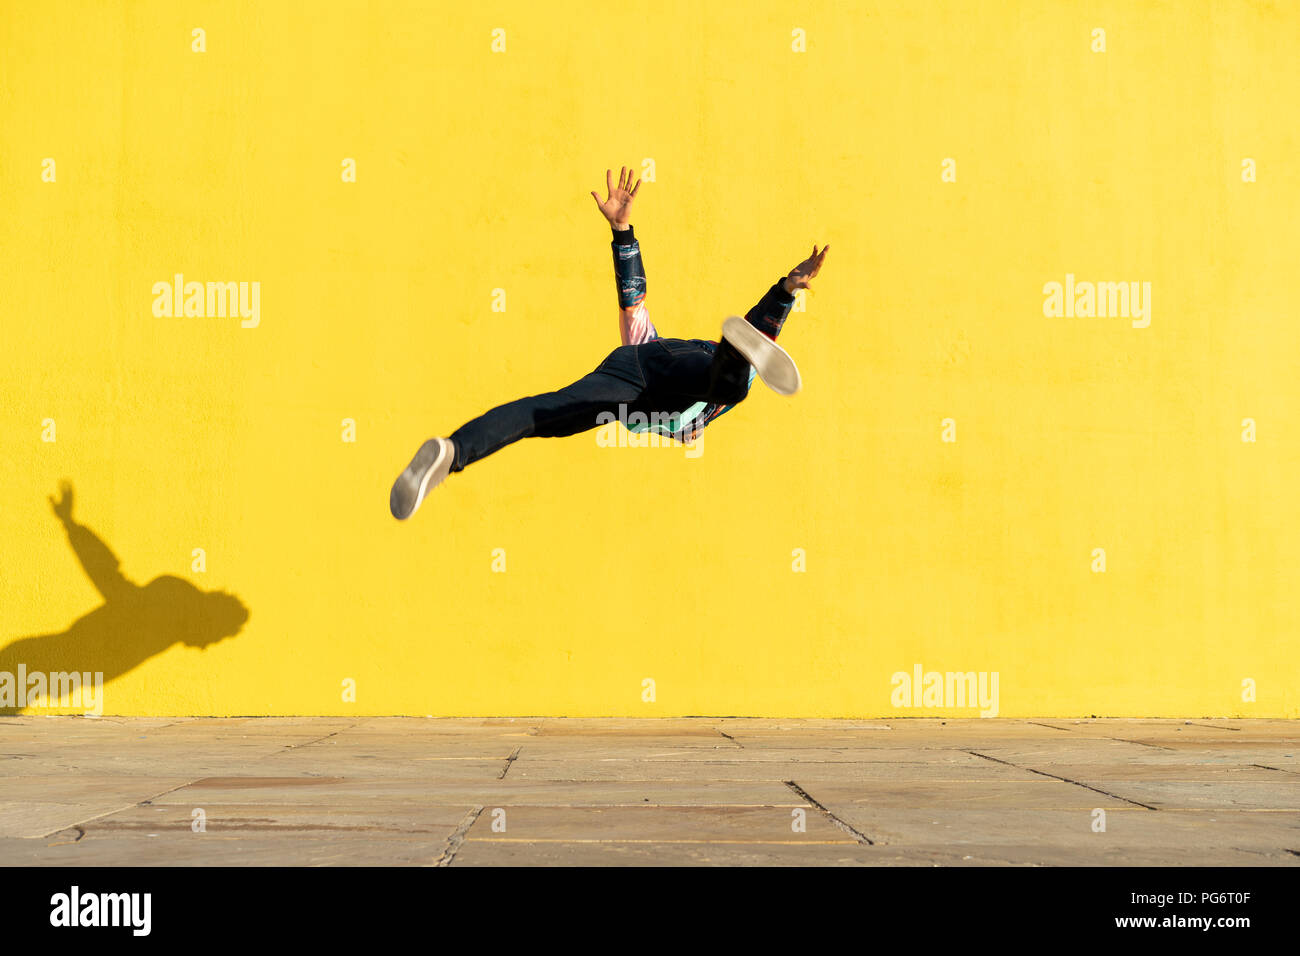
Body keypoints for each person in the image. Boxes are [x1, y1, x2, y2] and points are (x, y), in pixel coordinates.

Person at [389, 166, 828, 520]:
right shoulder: (698, 415)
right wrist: (782, 296)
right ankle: (734, 352)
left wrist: (623, 234)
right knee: (731, 385)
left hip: (635, 368)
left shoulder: (646, 402)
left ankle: (452, 452)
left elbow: (633, 304)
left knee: (541, 415)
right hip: (683, 369)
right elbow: (746, 341)